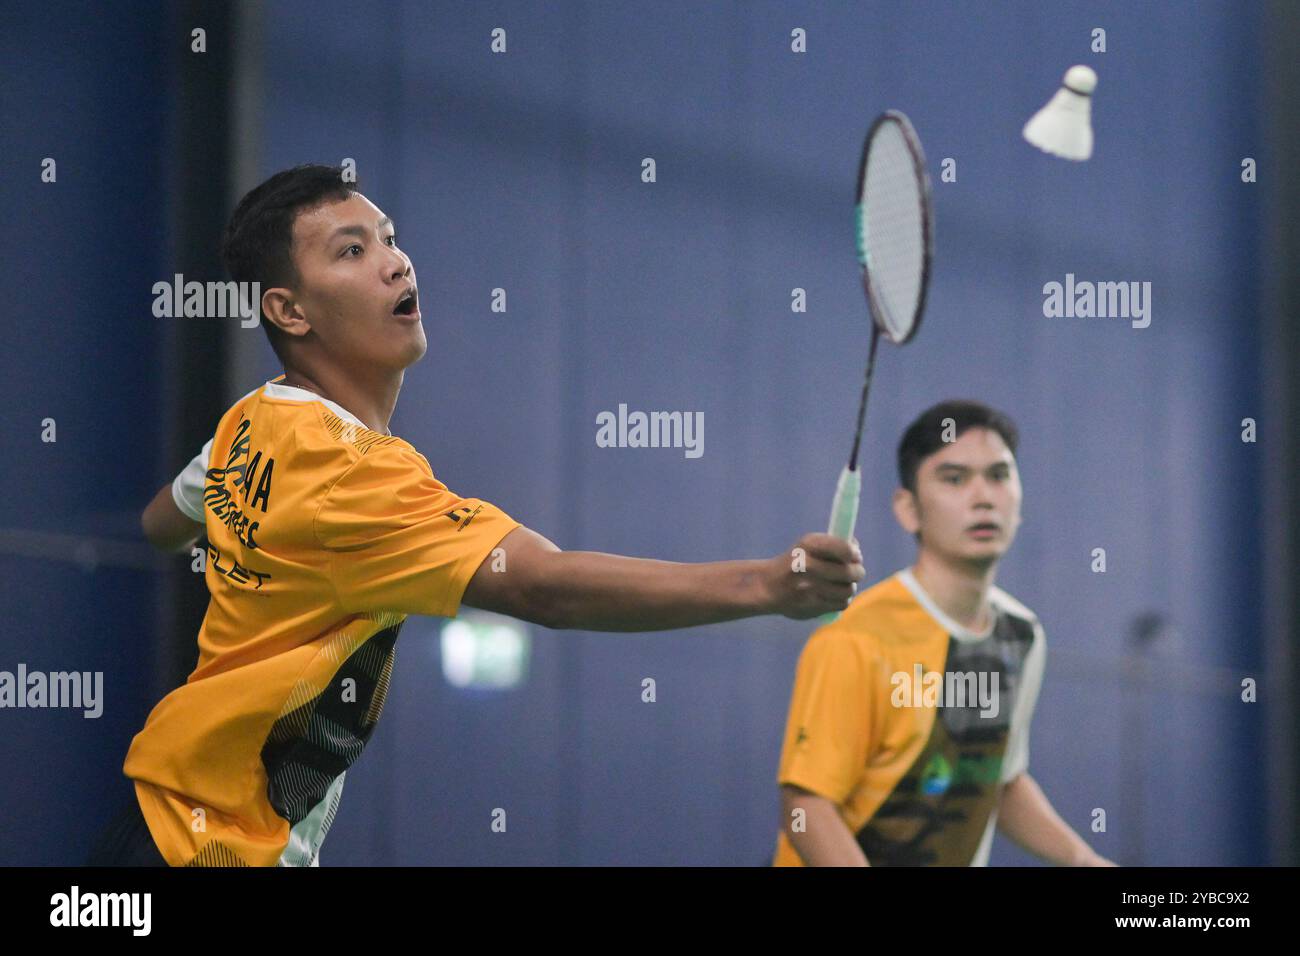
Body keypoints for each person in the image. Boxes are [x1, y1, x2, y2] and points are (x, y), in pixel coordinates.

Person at [88, 164, 863, 867]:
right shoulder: (355, 476)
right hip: (208, 850)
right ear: (289, 310)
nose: (395, 261)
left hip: (160, 822)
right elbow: (542, 586)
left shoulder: (250, 421)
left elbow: (166, 518)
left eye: (389, 240)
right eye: (351, 252)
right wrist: (767, 584)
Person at [773, 400, 1115, 866]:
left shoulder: (1022, 635)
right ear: (909, 509)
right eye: (954, 479)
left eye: (998, 475)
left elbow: (1000, 779)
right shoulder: (856, 639)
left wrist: (1085, 861)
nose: (983, 496)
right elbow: (807, 808)